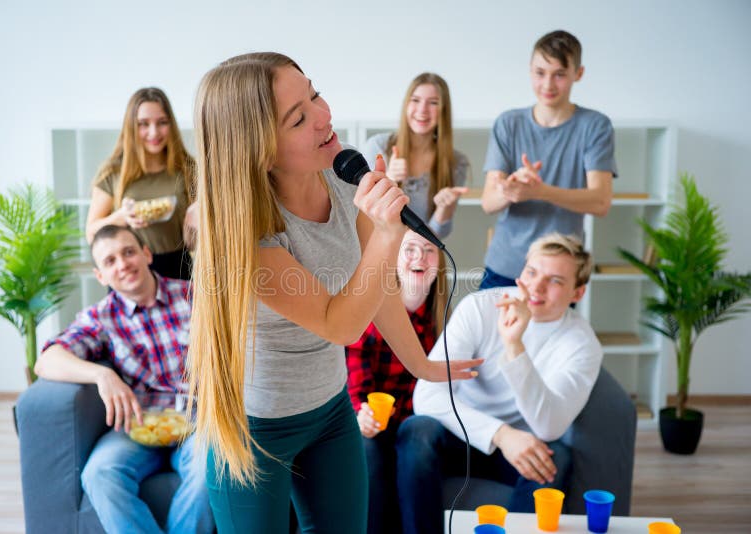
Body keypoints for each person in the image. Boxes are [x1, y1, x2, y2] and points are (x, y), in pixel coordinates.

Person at [186, 52, 481, 534]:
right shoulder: (246, 236)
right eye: (299, 117)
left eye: (315, 93)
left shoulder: (343, 180)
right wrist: (387, 237)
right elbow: (340, 323)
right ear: (258, 148)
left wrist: (422, 365)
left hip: (329, 411)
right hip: (255, 430)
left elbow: (377, 289)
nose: (324, 115)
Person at [396, 233, 603, 534]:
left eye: (555, 280)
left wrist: (514, 346)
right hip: (461, 434)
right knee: (417, 431)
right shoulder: (479, 309)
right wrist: (501, 434)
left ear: (578, 293)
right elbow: (427, 395)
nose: (537, 287)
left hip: (520, 451)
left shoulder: (582, 343)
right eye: (532, 272)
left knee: (556, 456)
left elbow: (549, 427)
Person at [34, 225, 214, 534]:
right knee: (99, 474)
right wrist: (102, 375)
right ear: (101, 275)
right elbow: (47, 360)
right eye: (110, 261)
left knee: (212, 470)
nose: (123, 264)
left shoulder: (193, 295)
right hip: (136, 426)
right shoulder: (100, 317)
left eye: (129, 252)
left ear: (146, 254)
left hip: (198, 422)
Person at [479, 30, 617, 290]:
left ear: (579, 73)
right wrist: (512, 189)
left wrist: (540, 192)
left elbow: (601, 201)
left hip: (559, 272)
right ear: (530, 71)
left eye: (560, 74)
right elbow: (488, 202)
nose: (548, 84)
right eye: (540, 73)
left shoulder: (595, 126)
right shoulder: (508, 123)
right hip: (506, 266)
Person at [345, 230, 448, 534]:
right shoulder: (372, 313)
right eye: (410, 250)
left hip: (415, 426)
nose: (419, 257)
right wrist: (360, 412)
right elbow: (355, 380)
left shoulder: (443, 320)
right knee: (366, 445)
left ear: (439, 263)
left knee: (422, 430)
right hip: (374, 424)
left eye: (429, 251)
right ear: (394, 261)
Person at [86, 87, 197, 280]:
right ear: (131, 127)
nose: (154, 132)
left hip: (178, 267)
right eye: (143, 124)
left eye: (162, 122)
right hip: (129, 270)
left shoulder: (187, 169)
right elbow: (91, 233)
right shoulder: (113, 172)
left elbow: (196, 237)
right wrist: (121, 217)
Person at [362, 72, 470, 240]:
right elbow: (363, 218)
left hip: (420, 258)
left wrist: (444, 210)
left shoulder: (456, 163)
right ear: (406, 104)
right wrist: (389, 180)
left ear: (444, 111)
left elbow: (435, 238)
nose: (422, 110)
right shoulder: (378, 147)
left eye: (433, 103)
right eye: (415, 100)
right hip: (378, 252)